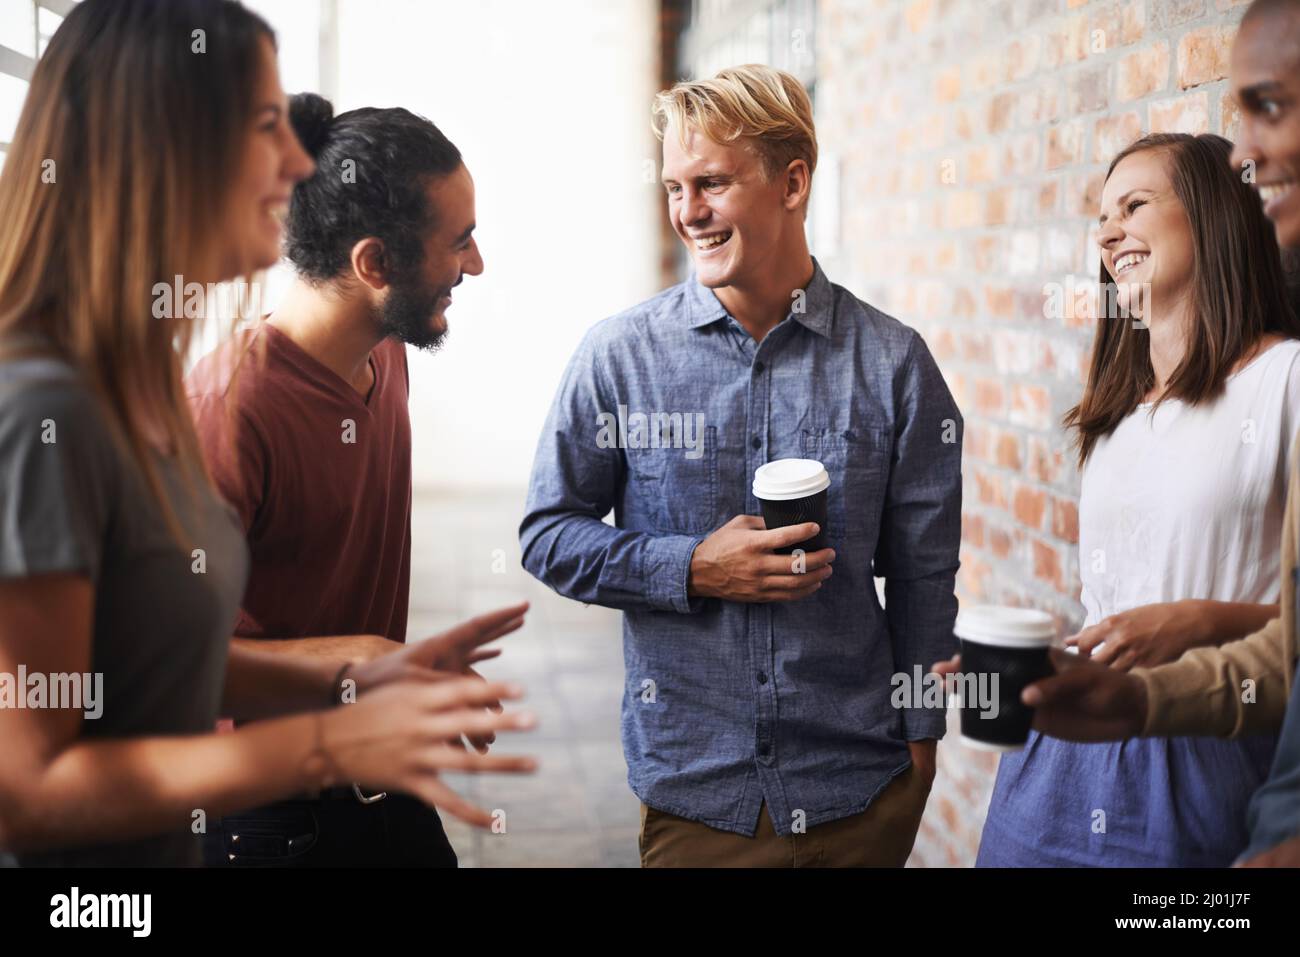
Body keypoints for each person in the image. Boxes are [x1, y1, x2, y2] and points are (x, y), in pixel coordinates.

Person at [0, 0, 534, 868]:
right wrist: (324, 744)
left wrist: (357, 668)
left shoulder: (137, 386)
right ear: (164, 157)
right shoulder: (44, 416)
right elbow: (25, 794)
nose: (297, 163)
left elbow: (154, 660)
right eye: (264, 125)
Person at [519, 65, 962, 867]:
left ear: (792, 184)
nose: (688, 212)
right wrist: (693, 567)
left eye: (713, 182)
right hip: (698, 797)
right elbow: (547, 535)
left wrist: (921, 744)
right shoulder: (619, 357)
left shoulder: (895, 364)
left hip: (860, 791)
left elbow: (926, 579)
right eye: (673, 187)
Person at [939, 0, 1300, 870]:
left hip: (1202, 745)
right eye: (1101, 215)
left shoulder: (1284, 379)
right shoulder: (1121, 414)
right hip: (1067, 753)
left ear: (1212, 214)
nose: (1107, 232)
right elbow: (1120, 598)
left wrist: (1199, 621)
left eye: (1135, 205)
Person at [186, 93, 493, 866]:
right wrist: (363, 657)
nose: (476, 265)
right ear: (374, 264)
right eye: (460, 243)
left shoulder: (385, 350)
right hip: (269, 817)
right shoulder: (228, 408)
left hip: (380, 772)